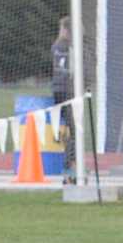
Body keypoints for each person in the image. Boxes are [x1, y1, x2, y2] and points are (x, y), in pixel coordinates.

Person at [51, 15, 75, 178]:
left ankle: (71, 161)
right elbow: (64, 70)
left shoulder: (59, 45)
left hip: (62, 89)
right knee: (73, 127)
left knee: (69, 127)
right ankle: (70, 163)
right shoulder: (63, 46)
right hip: (64, 90)